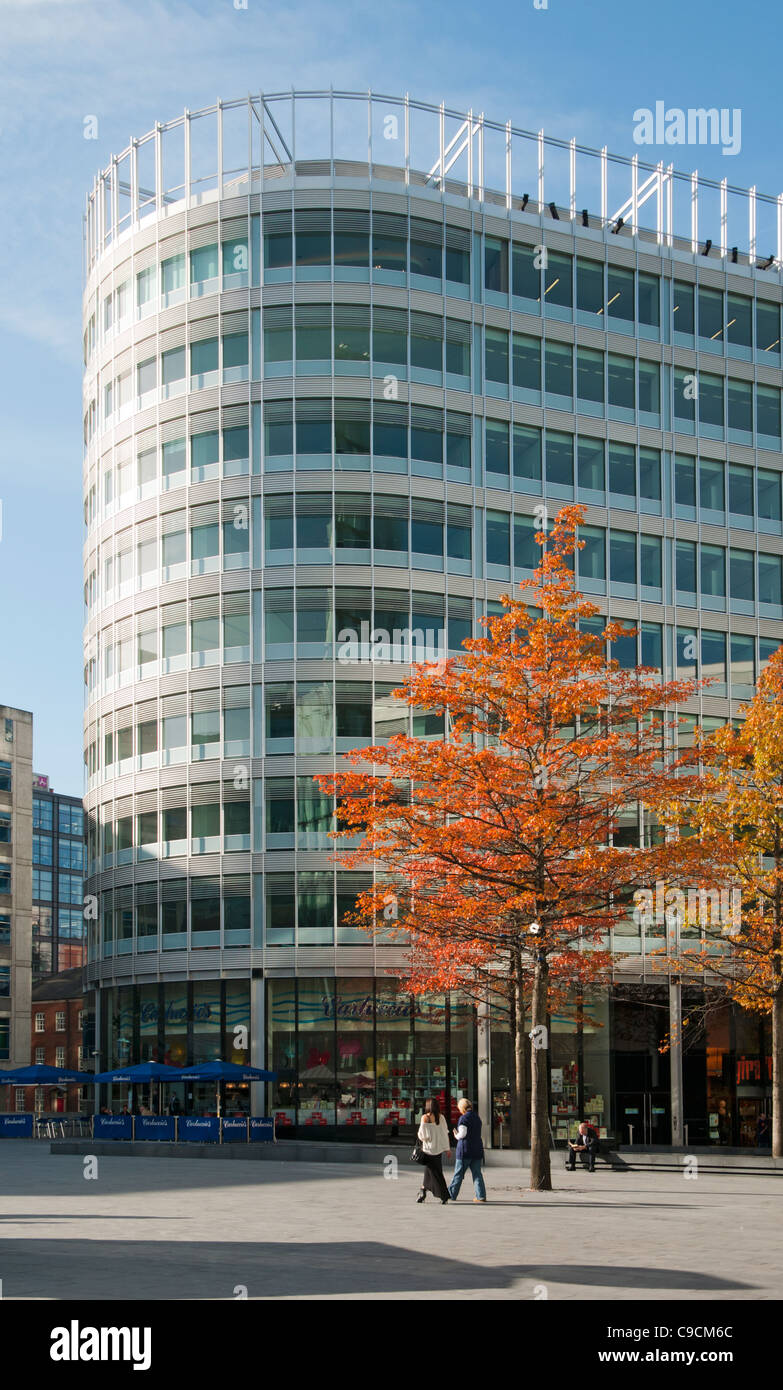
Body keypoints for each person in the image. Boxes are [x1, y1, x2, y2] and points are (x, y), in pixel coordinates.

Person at [448, 1098, 486, 1203]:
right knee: (477, 1174)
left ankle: (451, 1194)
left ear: (462, 1108)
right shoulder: (477, 1118)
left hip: (465, 1150)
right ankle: (481, 1196)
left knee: (458, 1174)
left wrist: (456, 1135)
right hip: (477, 1149)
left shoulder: (463, 1118)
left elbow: (463, 1134)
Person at [416, 1098, 451, 1204]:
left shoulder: (425, 1118)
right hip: (438, 1150)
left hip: (428, 1150)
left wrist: (419, 1134)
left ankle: (443, 1195)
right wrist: (447, 1149)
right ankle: (422, 1190)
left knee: (435, 1173)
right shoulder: (441, 1118)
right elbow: (445, 1134)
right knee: (432, 1171)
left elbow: (423, 1136)